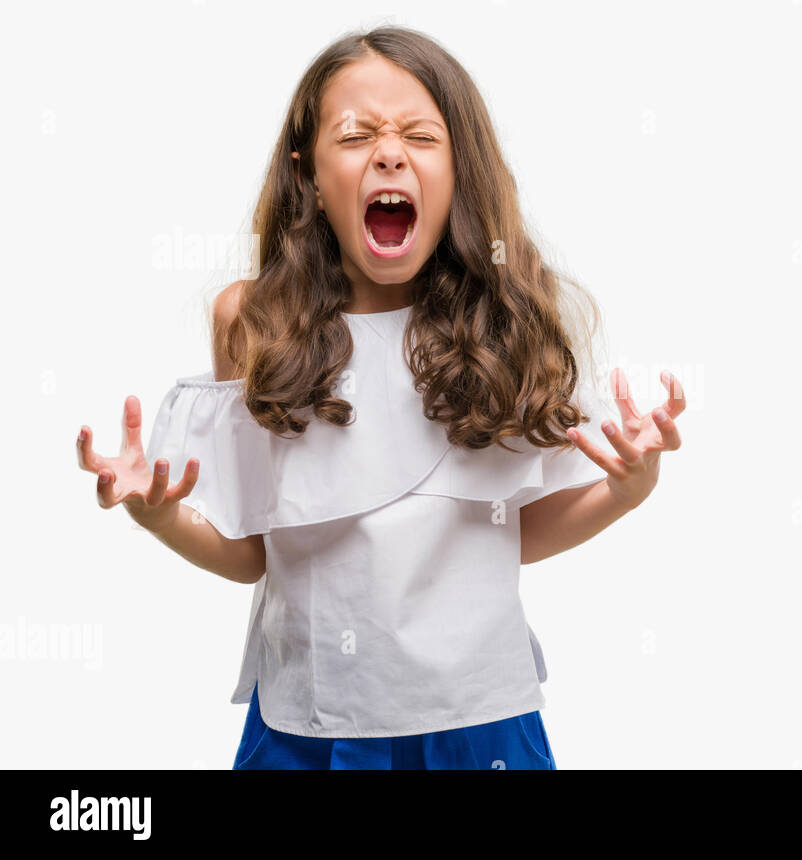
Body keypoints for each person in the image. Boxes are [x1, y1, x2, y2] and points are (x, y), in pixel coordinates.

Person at [74, 25, 685, 770]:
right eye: (356, 134)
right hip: (309, 730)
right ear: (309, 175)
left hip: (482, 725)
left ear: (459, 171)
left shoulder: (500, 322)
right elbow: (249, 555)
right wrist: (161, 514)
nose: (388, 153)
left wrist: (627, 490)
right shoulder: (253, 320)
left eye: (420, 136)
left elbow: (510, 536)